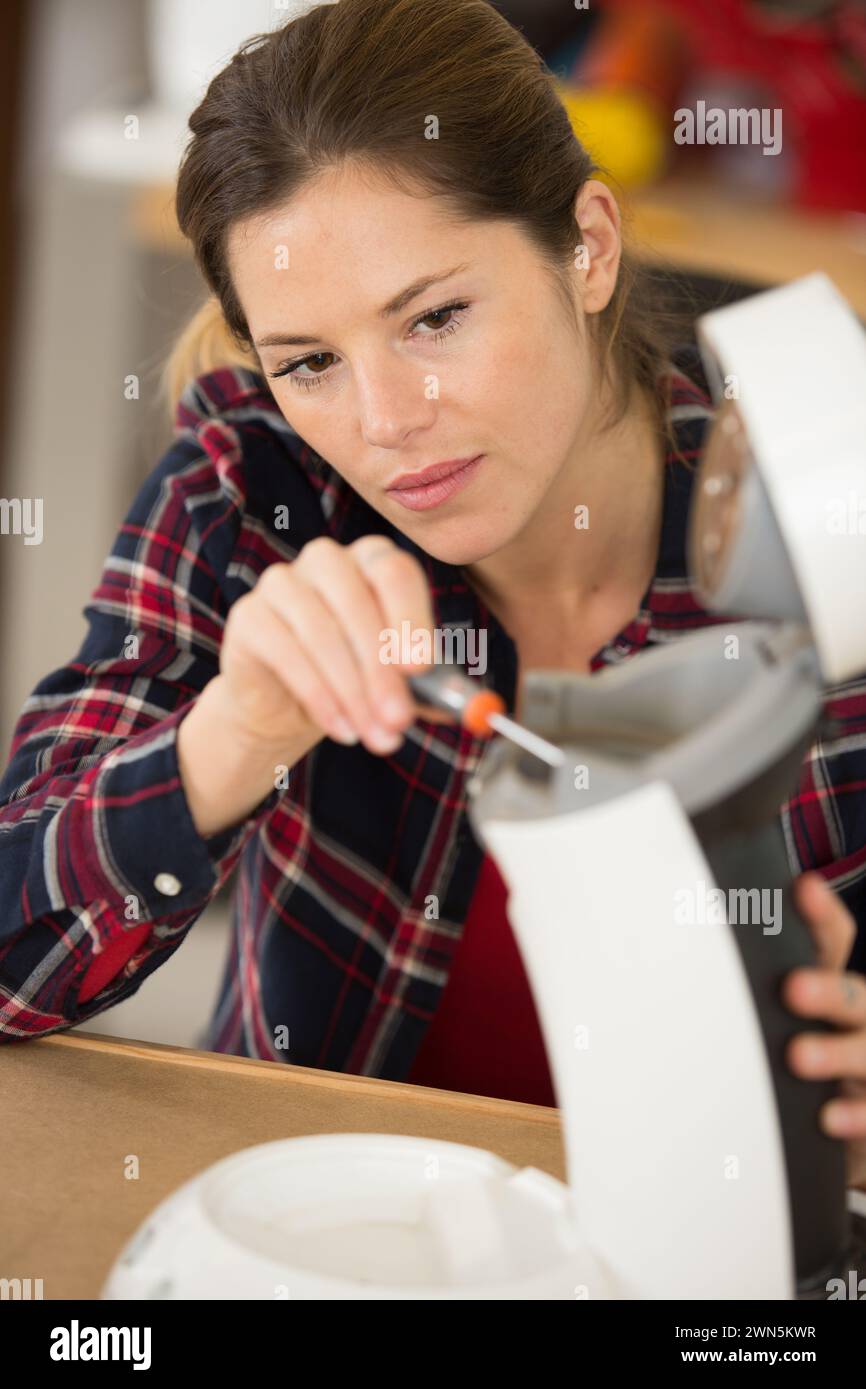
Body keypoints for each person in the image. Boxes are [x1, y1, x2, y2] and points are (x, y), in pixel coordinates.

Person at [1, 0, 864, 1190]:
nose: (386, 424)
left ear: (588, 248)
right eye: (310, 361)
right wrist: (227, 738)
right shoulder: (253, 486)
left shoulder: (825, 519)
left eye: (436, 317)